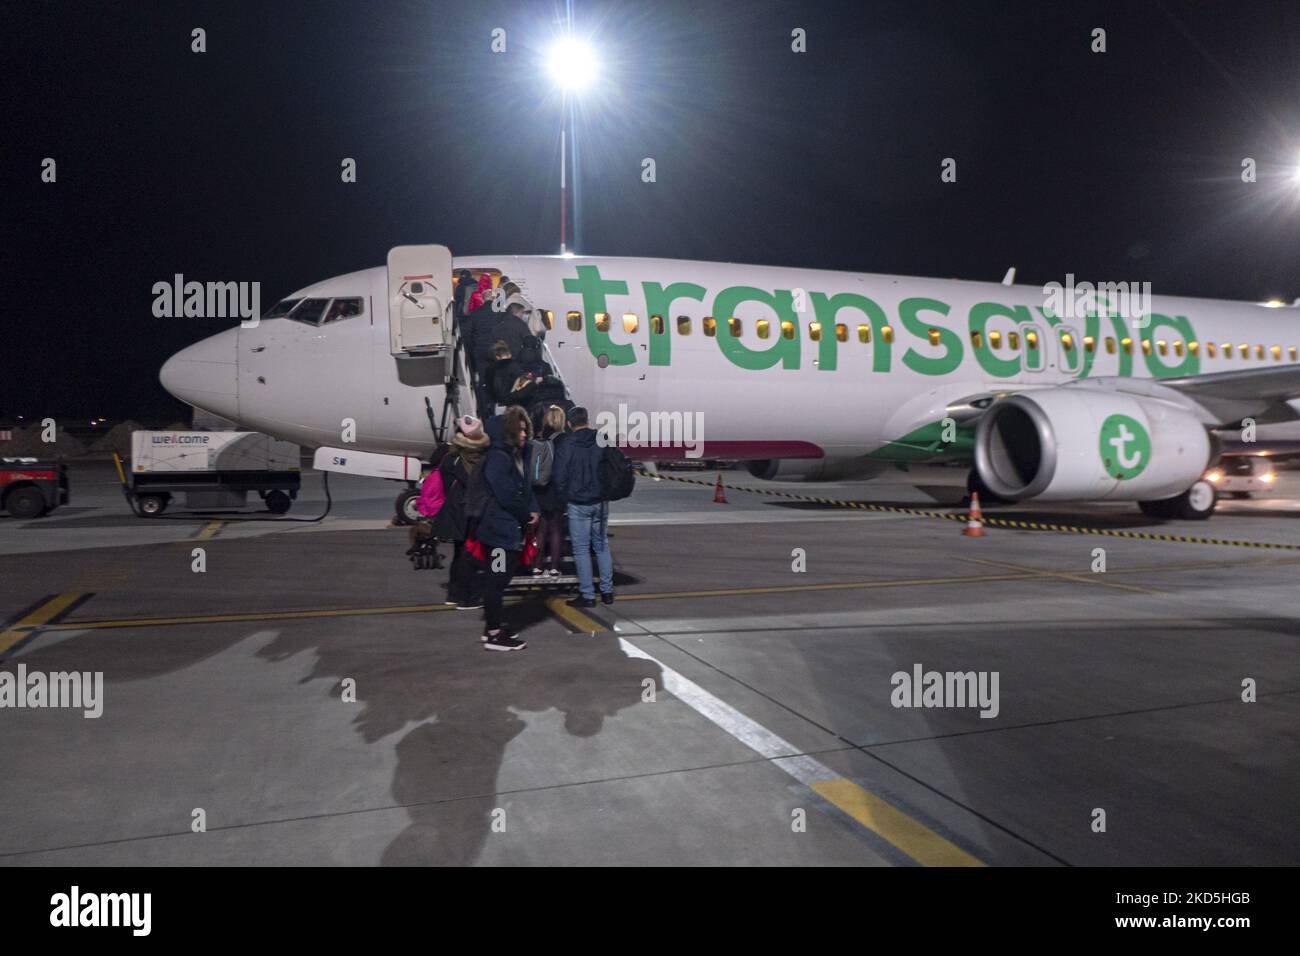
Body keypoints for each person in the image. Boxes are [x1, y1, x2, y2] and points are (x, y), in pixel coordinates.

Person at [477, 406, 538, 650]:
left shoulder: (513, 456)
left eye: (525, 430)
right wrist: (525, 514)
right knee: (496, 582)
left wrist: (531, 508)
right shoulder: (499, 458)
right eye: (520, 430)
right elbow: (507, 495)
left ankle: (492, 627)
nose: (524, 434)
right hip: (499, 533)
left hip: (506, 531)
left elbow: (524, 489)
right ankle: (494, 635)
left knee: (499, 581)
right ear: (509, 432)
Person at [553, 405, 614, 608]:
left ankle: (587, 595)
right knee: (602, 545)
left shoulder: (567, 443)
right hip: (600, 501)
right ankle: (607, 591)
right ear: (588, 420)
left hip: (578, 502)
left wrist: (563, 498)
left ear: (569, 424)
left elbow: (559, 476)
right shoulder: (602, 438)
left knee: (581, 550)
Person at [429, 416, 490, 609]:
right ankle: (466, 597)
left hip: (454, 511)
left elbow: (436, 462)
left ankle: (454, 594)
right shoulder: (472, 459)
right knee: (468, 555)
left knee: (459, 554)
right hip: (466, 512)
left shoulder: (450, 456)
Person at [531, 405, 569, 577]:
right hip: (557, 489)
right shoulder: (565, 440)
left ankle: (537, 565)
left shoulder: (539, 439)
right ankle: (554, 567)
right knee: (556, 529)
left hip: (540, 488)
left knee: (541, 529)